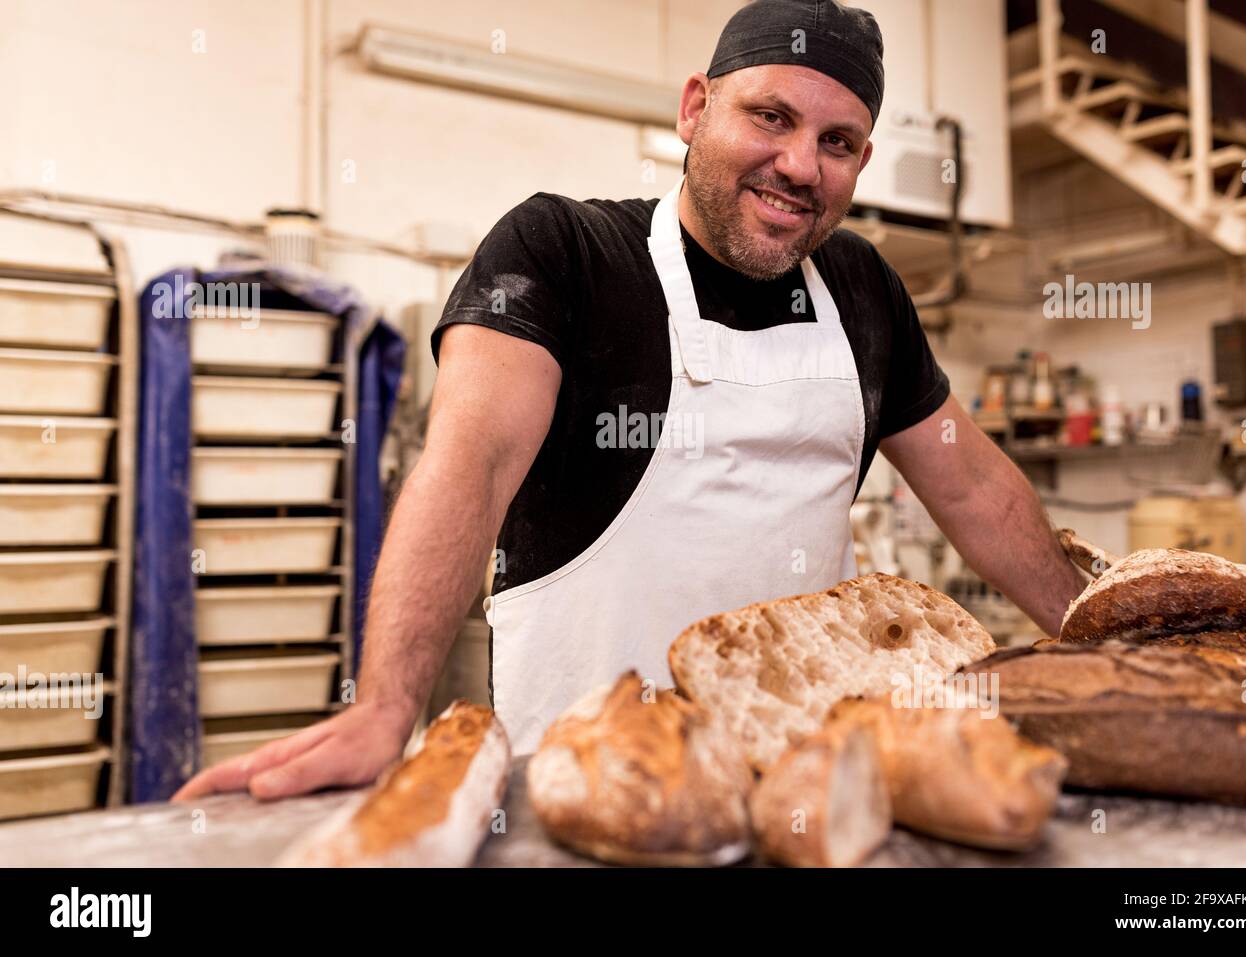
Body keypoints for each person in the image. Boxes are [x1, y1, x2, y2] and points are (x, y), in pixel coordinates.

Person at [173, 0, 1082, 802]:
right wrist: (386, 708)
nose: (801, 164)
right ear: (695, 108)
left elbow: (973, 488)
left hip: (805, 791)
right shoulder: (565, 251)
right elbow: (470, 464)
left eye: (837, 142)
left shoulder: (863, 287)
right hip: (588, 789)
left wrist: (1114, 636)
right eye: (771, 115)